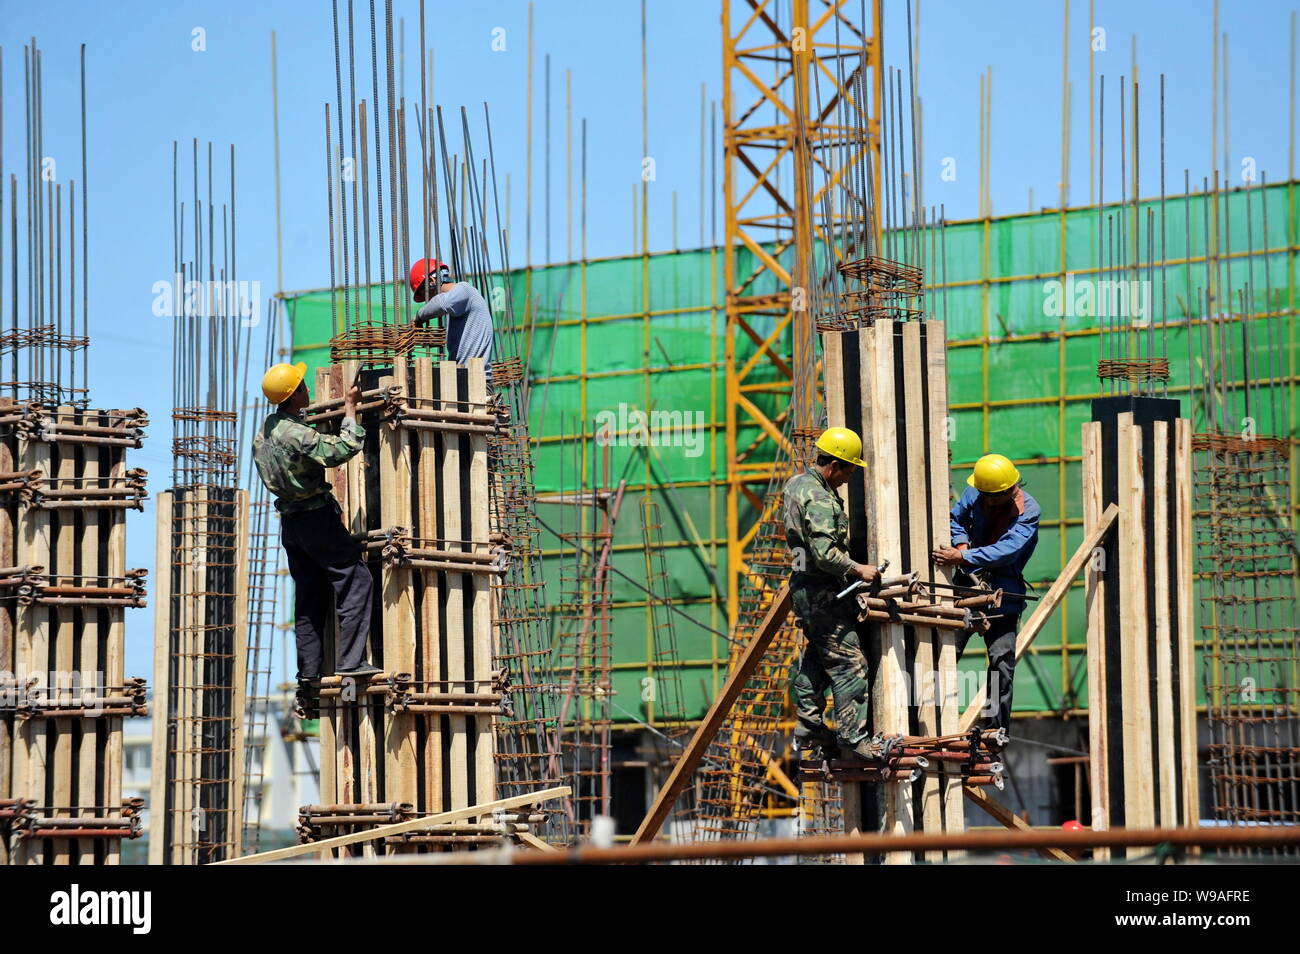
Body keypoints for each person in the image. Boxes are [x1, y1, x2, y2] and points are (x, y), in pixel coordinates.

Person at [252, 362, 379, 681]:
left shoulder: (266, 431)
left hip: (291, 524)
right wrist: (350, 410)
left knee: (309, 596)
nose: (308, 389)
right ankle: (351, 662)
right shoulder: (297, 435)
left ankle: (309, 671)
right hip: (316, 519)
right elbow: (342, 449)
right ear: (294, 395)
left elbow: (293, 442)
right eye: (303, 386)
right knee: (355, 581)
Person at [784, 426, 895, 761]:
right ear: (834, 465)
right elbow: (825, 554)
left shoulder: (797, 484)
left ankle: (809, 723)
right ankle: (853, 738)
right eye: (849, 469)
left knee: (820, 657)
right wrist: (859, 569)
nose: (849, 477)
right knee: (850, 664)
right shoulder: (819, 498)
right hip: (822, 593)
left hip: (804, 589)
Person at [932, 453, 1041, 731]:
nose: (985, 500)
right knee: (944, 652)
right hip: (966, 587)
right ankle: (931, 720)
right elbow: (955, 519)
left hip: (1004, 593)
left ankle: (995, 729)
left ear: (1008, 490)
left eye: (990, 496)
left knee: (1001, 663)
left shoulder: (1028, 511)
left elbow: (1006, 551)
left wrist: (963, 558)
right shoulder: (977, 491)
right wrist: (961, 543)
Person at [407, 258, 494, 368]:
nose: (427, 300)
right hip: (462, 375)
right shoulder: (454, 306)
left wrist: (419, 317)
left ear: (432, 281)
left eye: (424, 293)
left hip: (476, 379)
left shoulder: (464, 290)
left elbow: (441, 303)